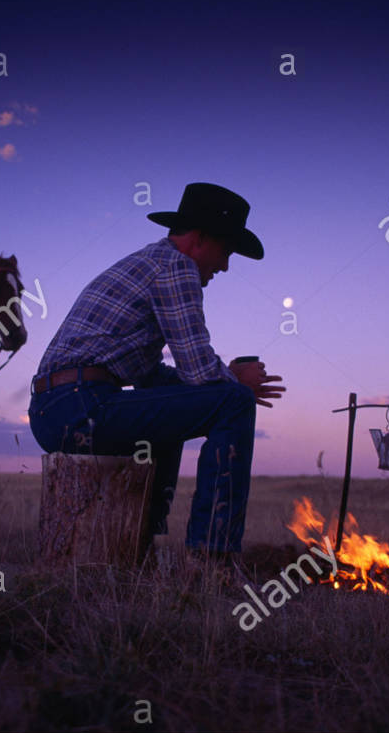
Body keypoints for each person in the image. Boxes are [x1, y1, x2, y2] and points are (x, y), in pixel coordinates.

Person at [28, 182, 285, 563]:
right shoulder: (176, 267)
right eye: (225, 251)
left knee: (179, 400)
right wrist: (235, 382)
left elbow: (157, 380)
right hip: (80, 407)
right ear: (198, 240)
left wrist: (222, 376)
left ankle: (141, 546)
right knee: (234, 403)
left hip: (62, 408)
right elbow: (199, 372)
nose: (225, 266)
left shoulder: (150, 263)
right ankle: (213, 559)